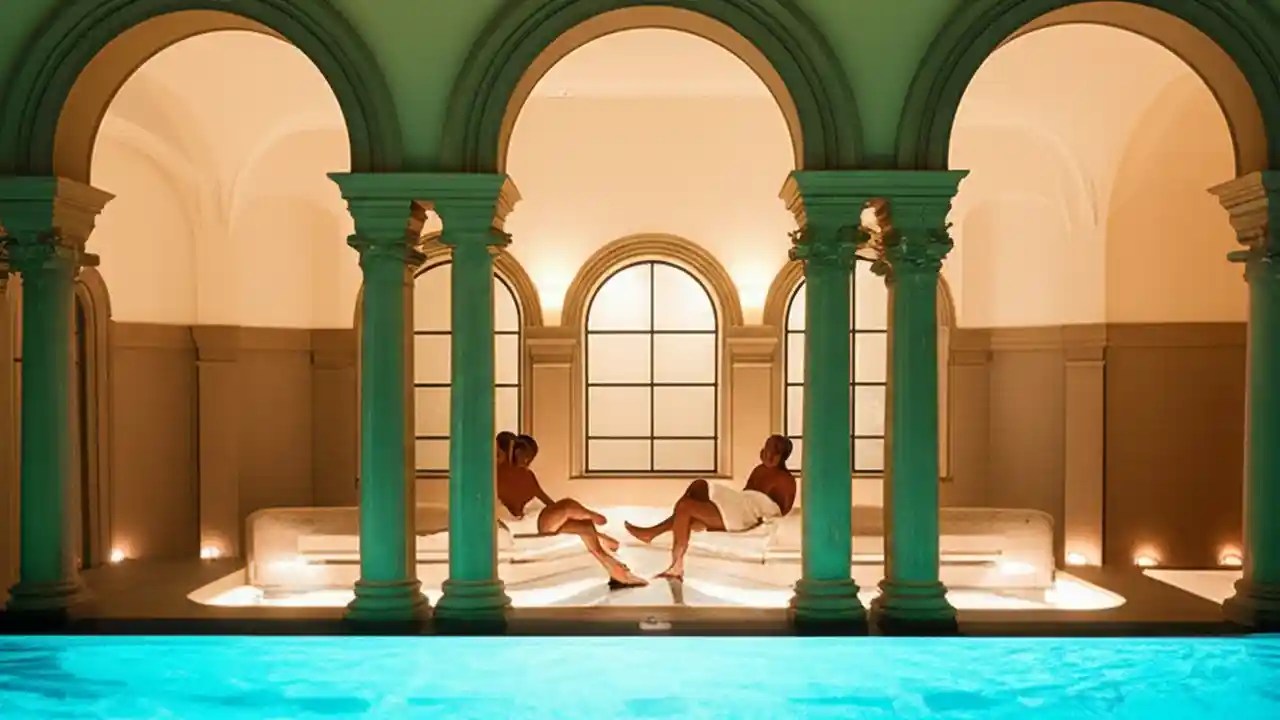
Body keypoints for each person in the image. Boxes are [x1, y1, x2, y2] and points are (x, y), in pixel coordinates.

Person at [625, 434, 796, 580]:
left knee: (686, 507)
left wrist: (762, 519)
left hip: (744, 515)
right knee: (698, 485)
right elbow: (746, 494)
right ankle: (677, 526)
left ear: (782, 456)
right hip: (740, 503)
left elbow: (779, 513)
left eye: (774, 451)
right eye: (766, 449)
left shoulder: (786, 481)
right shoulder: (759, 470)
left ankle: (675, 564)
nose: (768, 454)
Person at [495, 433, 648, 588]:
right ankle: (592, 517)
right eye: (524, 457)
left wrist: (558, 514)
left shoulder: (526, 475)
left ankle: (616, 572)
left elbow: (547, 501)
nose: (526, 462)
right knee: (568, 506)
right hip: (519, 524)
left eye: (529, 458)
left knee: (585, 526)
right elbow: (515, 510)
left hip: (534, 519)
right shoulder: (496, 475)